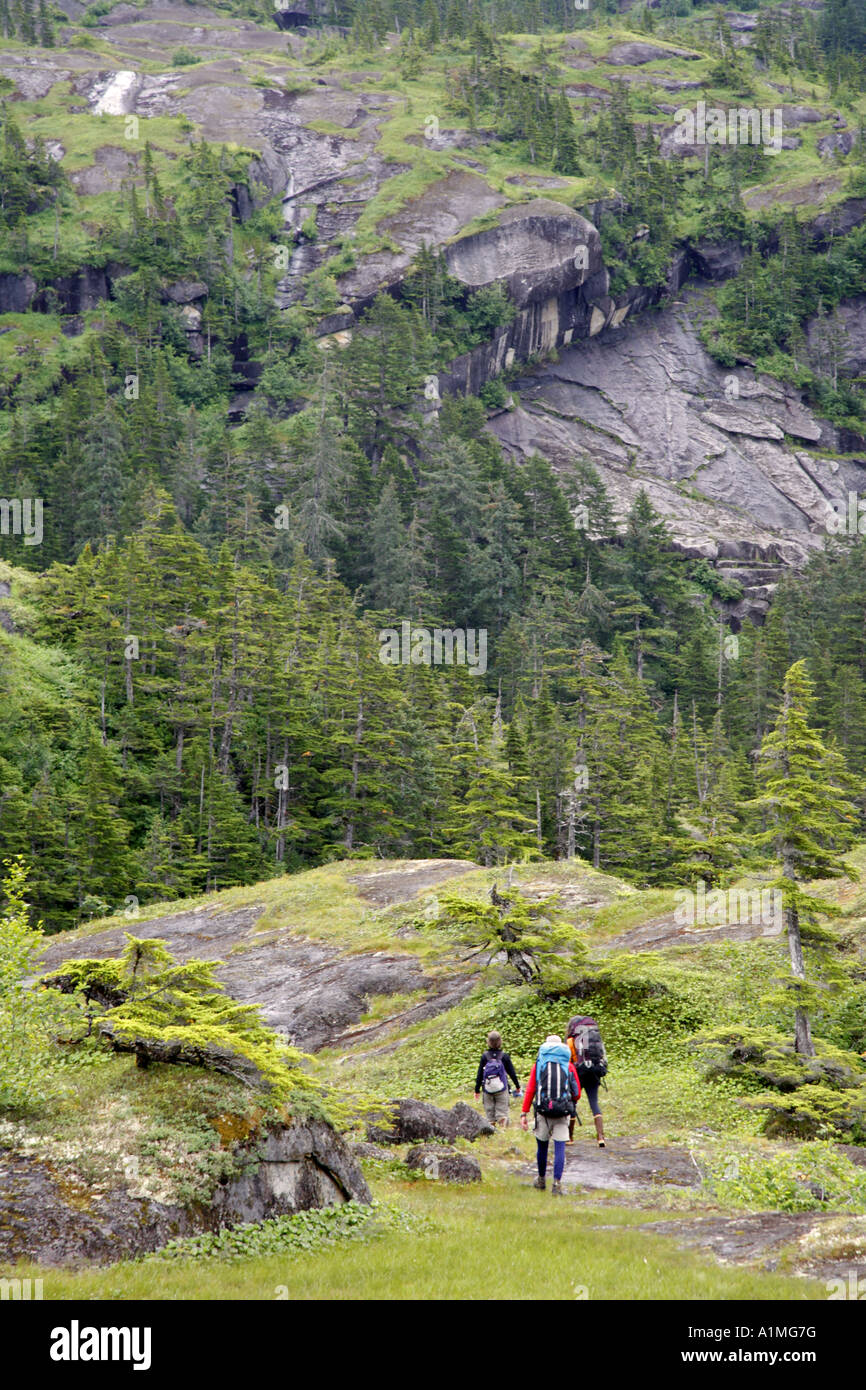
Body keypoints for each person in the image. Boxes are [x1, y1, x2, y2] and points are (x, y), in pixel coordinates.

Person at [520, 1034, 580, 1195]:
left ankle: (540, 1180)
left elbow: (531, 1089)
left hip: (543, 1112)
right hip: (562, 1112)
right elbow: (577, 1093)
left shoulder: (539, 1065)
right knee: (560, 1148)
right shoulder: (568, 1066)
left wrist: (524, 1113)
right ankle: (557, 1184)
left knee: (542, 1147)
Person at [566, 1016, 607, 1148]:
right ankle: (600, 1137)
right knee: (594, 1102)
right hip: (595, 1070)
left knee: (573, 1101)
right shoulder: (595, 1036)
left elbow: (570, 1059)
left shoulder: (571, 1039)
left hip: (579, 1073)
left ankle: (570, 1136)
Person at [475, 1030, 520, 1128]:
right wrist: (517, 1086)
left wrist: (477, 1090)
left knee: (489, 1112)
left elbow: (480, 1074)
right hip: (502, 1088)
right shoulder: (504, 1056)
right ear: (500, 1041)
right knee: (502, 1111)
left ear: (488, 1042)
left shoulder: (485, 1056)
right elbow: (511, 1072)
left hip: (487, 1088)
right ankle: (503, 1129)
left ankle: (491, 1128)